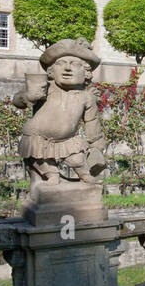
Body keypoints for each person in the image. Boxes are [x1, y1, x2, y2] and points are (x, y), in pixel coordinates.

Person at [13, 38, 108, 189]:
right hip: (37, 138)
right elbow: (18, 101)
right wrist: (28, 97)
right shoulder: (45, 87)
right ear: (51, 71)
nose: (67, 68)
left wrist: (96, 146)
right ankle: (52, 175)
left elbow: (92, 123)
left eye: (75, 64)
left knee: (78, 160)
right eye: (60, 63)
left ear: (86, 72)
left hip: (68, 140)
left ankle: (85, 176)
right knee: (38, 158)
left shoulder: (87, 96)